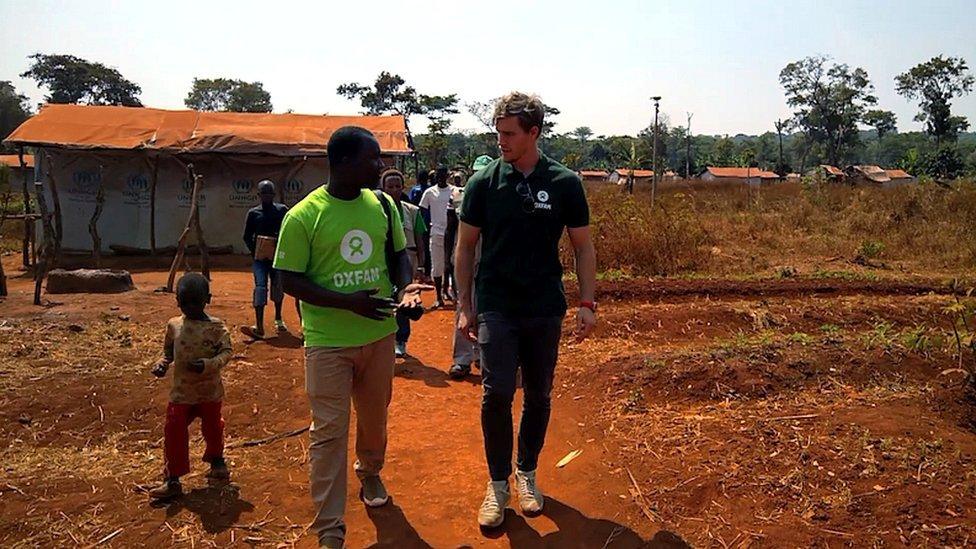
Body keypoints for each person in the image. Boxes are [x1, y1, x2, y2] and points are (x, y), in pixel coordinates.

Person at [275, 126, 429, 549]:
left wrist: (406, 288)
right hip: (327, 341)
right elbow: (289, 279)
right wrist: (347, 303)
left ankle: (371, 473)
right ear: (343, 162)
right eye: (372, 158)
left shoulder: (382, 205)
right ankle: (330, 528)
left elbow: (399, 256)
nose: (380, 166)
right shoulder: (304, 216)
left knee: (375, 420)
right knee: (328, 432)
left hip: (379, 336)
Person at [455, 92, 597, 528]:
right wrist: (465, 305)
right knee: (497, 391)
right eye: (498, 133)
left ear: (534, 132)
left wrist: (587, 302)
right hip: (496, 303)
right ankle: (497, 485)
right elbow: (465, 247)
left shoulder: (564, 183)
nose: (501, 141)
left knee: (538, 394)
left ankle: (527, 473)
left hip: (543, 306)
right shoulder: (484, 184)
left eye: (509, 134)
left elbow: (583, 246)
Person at [148, 272, 234, 500]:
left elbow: (227, 353)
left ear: (208, 299)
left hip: (210, 392)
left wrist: (207, 365)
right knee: (173, 431)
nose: (189, 308)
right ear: (177, 301)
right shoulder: (174, 326)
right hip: (182, 393)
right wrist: (162, 364)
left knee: (213, 428)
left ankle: (216, 461)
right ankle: (172, 478)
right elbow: (168, 351)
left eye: (195, 303)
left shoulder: (217, 328)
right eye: (184, 303)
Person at [448, 155, 493, 380]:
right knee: (464, 303)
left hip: (490, 255)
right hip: (466, 252)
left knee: (488, 307)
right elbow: (451, 228)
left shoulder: (500, 194)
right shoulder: (459, 196)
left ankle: (483, 356)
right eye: (477, 171)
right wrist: (451, 257)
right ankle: (462, 359)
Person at [380, 168, 428, 357]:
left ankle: (401, 340)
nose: (394, 190)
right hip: (382, 261)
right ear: (382, 188)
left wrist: (422, 265)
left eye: (398, 186)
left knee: (404, 299)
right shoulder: (375, 211)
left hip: (407, 259)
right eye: (389, 186)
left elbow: (420, 240)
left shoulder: (413, 211)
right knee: (384, 299)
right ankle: (383, 341)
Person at [242, 180, 289, 339]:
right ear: (259, 195)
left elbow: (287, 231)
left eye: (269, 194)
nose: (267, 197)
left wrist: (279, 247)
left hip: (277, 258)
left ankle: (278, 318)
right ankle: (259, 326)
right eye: (264, 194)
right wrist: (256, 251)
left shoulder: (282, 211)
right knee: (260, 287)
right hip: (260, 259)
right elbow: (247, 236)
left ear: (273, 195)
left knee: (277, 286)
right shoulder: (253, 214)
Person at [419, 166, 456, 308]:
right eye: (438, 176)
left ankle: (447, 289)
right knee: (437, 264)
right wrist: (423, 230)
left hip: (451, 233)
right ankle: (438, 296)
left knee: (450, 263)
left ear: (447, 176)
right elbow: (422, 211)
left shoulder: (454, 191)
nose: (440, 178)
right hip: (436, 233)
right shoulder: (430, 192)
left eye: (443, 175)